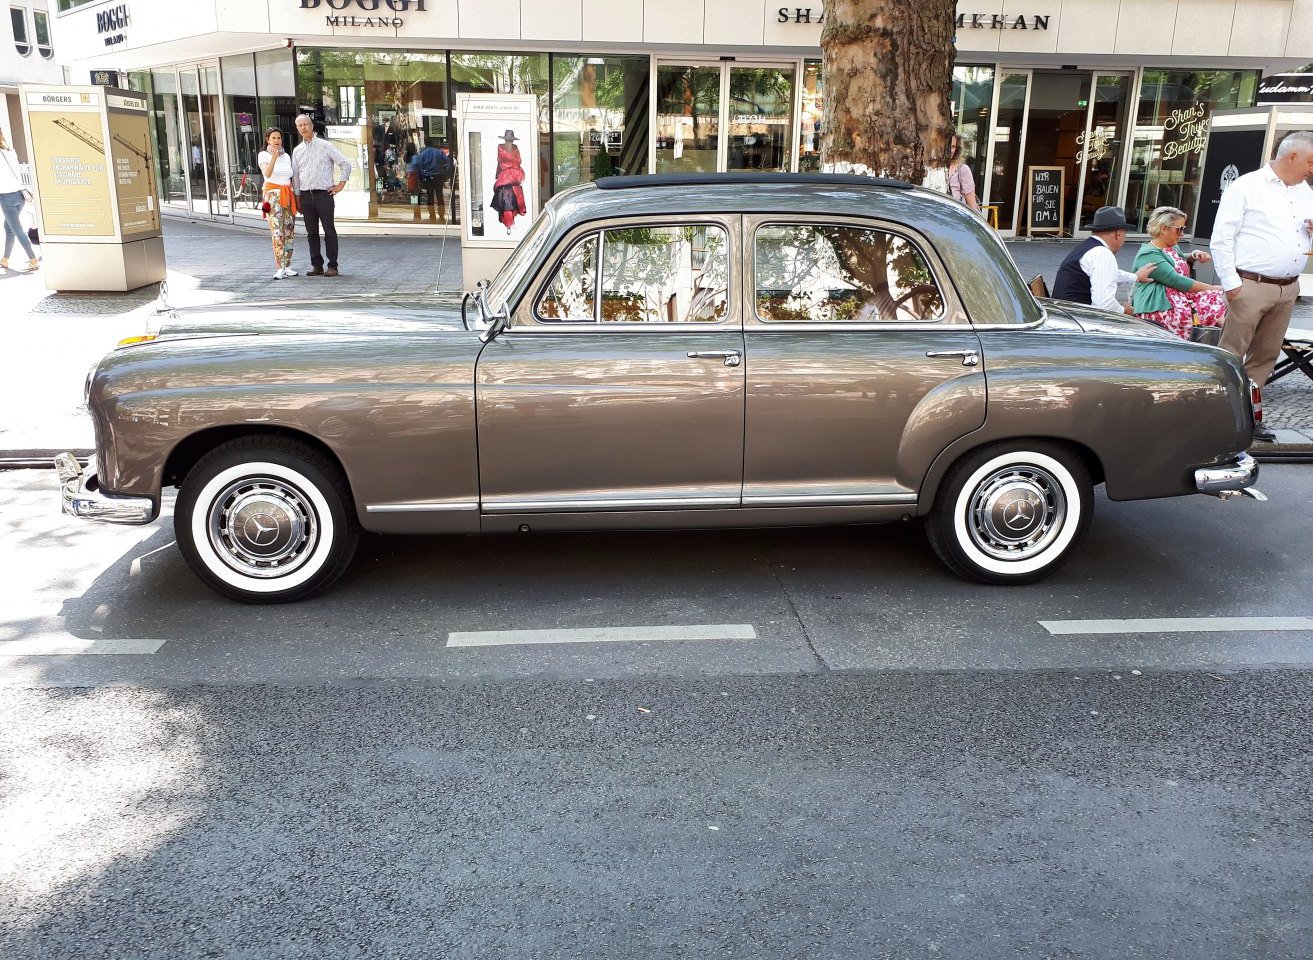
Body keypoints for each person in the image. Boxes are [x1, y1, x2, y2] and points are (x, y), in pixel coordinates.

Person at [1211, 130, 1313, 438]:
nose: (1312, 168)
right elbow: (1222, 239)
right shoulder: (1246, 186)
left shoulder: (1305, 191)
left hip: (1288, 287)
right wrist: (1233, 286)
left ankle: (1249, 418)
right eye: (1310, 161)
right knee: (1230, 355)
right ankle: (1217, 418)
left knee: (1266, 357)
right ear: (1291, 156)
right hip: (1250, 285)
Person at [1131, 206, 1225, 338]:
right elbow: (1175, 280)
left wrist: (1193, 255)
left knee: (1218, 301)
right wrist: (1213, 288)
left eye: (1184, 229)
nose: (1182, 234)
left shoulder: (1171, 246)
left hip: (1180, 300)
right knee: (1214, 298)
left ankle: (1231, 340)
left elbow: (1176, 259)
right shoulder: (1148, 254)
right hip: (1161, 308)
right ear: (1164, 228)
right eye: (1179, 229)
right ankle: (1232, 341)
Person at [1051, 205, 1154, 314]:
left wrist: (1135, 277)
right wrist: (1127, 312)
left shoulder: (1090, 248)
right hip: (1076, 319)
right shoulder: (1102, 254)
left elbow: (1106, 273)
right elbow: (1104, 305)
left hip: (1064, 313)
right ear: (1118, 234)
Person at [291, 113, 353, 278]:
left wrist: (341, 184)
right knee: (311, 233)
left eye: (306, 124)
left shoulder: (325, 145)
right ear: (297, 129)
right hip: (305, 196)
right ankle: (316, 265)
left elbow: (345, 163)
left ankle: (332, 265)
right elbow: (296, 177)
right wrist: (297, 199)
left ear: (312, 126)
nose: (303, 127)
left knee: (329, 231)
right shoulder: (297, 151)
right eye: (300, 125)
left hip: (324, 195)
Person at [258, 127, 298, 280]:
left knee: (289, 229)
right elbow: (267, 174)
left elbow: (291, 175)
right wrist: (273, 158)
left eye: (279, 138)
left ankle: (287, 265)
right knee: (277, 231)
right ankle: (279, 266)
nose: (276, 141)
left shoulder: (287, 156)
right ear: (268, 139)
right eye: (273, 138)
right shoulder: (263, 155)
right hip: (272, 196)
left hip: (287, 194)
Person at [0, 129, 38, 273]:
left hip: (6, 198)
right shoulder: (11, 152)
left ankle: (33, 259)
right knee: (8, 228)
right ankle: (5, 259)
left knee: (17, 230)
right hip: (20, 196)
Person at [490, 130, 527, 234]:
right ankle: (510, 223)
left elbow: (500, 162)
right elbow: (519, 162)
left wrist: (497, 174)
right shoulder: (515, 149)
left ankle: (509, 224)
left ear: (505, 139)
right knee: (513, 200)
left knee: (506, 201)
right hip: (515, 177)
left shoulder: (501, 148)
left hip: (505, 178)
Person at [413, 138, 449, 224]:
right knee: (440, 196)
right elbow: (448, 162)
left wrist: (421, 176)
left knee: (430, 196)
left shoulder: (423, 154)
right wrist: (446, 173)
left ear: (425, 143)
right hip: (439, 176)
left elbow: (420, 167)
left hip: (428, 177)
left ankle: (432, 215)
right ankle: (441, 215)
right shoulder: (439, 152)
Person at [947, 134, 981, 215]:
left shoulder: (962, 169)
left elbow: (972, 205)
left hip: (955, 218)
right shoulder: (931, 169)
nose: (950, 150)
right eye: (948, 146)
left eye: (953, 146)